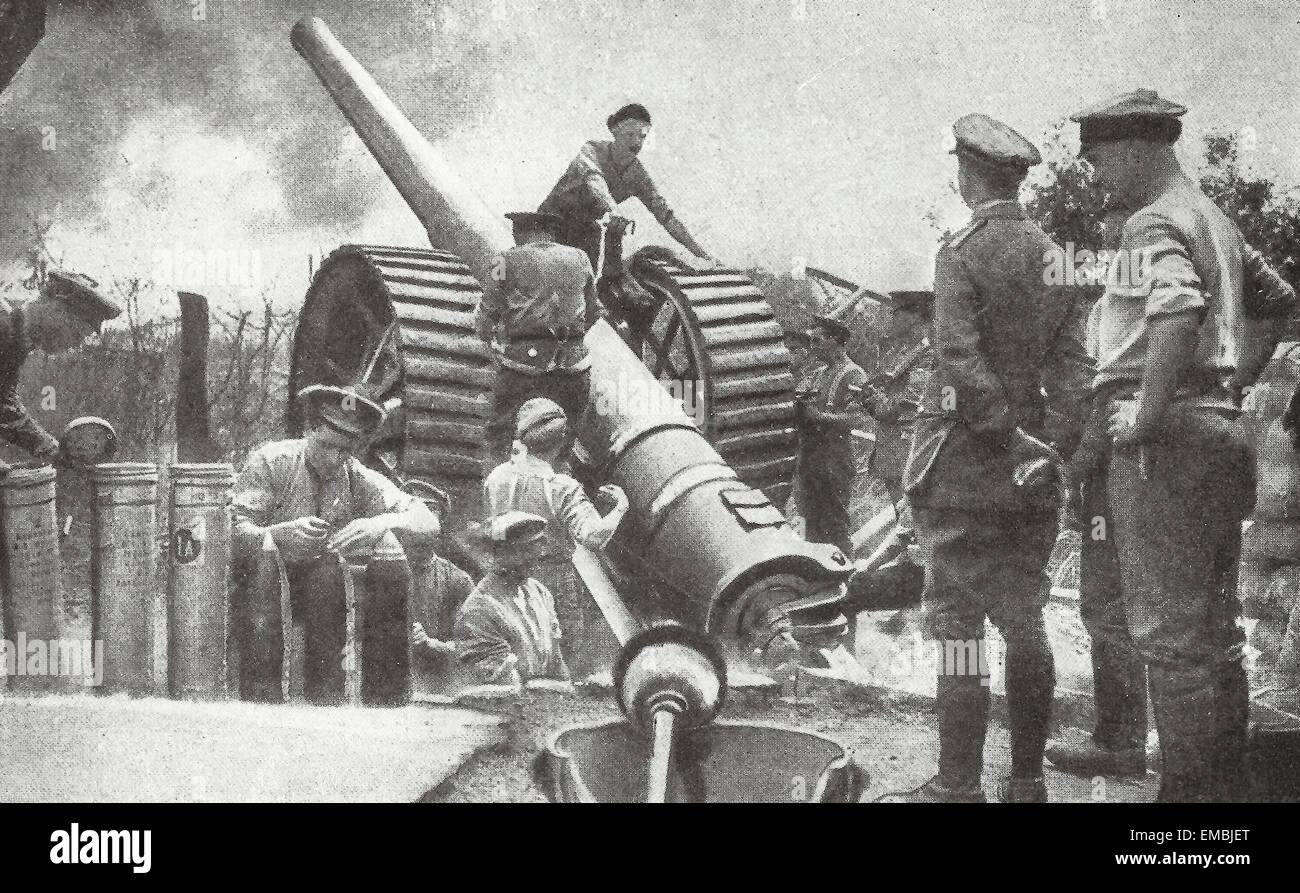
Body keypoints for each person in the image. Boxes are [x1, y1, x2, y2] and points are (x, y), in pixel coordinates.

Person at [1067, 89, 1294, 801]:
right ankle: (1223, 797)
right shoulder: (1216, 219)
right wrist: (1230, 387)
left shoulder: (1153, 220)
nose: (1100, 177)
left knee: (1168, 638)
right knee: (1214, 631)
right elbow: (1279, 300)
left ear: (1138, 148)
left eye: (1101, 160)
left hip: (1166, 442)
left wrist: (1146, 414)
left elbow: (1176, 311)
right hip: (1219, 432)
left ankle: (1187, 812)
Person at [884, 114, 1091, 803]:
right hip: (1031, 478)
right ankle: (1028, 782)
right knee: (1026, 619)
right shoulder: (1057, 256)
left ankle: (960, 784)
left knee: (960, 627)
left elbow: (959, 361)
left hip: (965, 471)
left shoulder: (961, 252)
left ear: (970, 175)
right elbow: (1074, 370)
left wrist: (1003, 437)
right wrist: (1047, 449)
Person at [231, 385, 440, 706]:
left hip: (327, 591)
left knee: (386, 555)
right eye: (327, 445)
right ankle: (263, 702)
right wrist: (277, 533)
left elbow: (426, 519)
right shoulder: (272, 462)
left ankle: (381, 700)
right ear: (308, 430)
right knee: (268, 559)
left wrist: (378, 524)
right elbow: (232, 531)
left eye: (345, 450)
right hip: (265, 586)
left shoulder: (355, 476)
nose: (335, 458)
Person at [482, 397, 629, 677]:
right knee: (560, 656)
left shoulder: (496, 478)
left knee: (510, 650)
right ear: (562, 443)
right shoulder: (563, 488)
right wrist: (621, 508)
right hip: (552, 581)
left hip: (502, 576)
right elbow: (593, 537)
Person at [538, 103, 714, 326]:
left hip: (585, 231)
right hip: (548, 226)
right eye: (630, 134)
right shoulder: (591, 150)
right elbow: (595, 181)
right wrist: (614, 209)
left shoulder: (636, 174)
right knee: (545, 296)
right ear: (615, 131)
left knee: (581, 301)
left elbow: (666, 215)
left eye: (642, 136)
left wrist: (700, 253)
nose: (636, 142)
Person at [474, 210, 602, 468]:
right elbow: (593, 312)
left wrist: (491, 340)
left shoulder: (504, 260)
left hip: (523, 368)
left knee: (499, 437)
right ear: (550, 233)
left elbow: (487, 312)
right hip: (574, 368)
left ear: (522, 232)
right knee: (560, 444)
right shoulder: (580, 257)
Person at [1, 270, 121, 463]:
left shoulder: (16, 340)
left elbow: (4, 404)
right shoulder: (3, 324)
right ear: (56, 308)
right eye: (76, 333)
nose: (75, 345)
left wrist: (52, 451)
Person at [453, 510, 569, 689]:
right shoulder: (478, 611)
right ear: (499, 554)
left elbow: (557, 663)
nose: (535, 558)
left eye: (535, 549)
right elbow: (506, 686)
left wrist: (567, 689)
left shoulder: (540, 593)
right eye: (523, 551)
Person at [795, 313, 867, 556]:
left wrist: (819, 417)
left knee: (835, 522)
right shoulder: (817, 374)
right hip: (810, 457)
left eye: (818, 341)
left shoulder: (854, 374)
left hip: (834, 457)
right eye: (811, 342)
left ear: (835, 341)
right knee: (808, 520)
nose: (813, 348)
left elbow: (856, 419)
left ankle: (845, 575)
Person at [860, 291, 935, 509]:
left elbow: (908, 404)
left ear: (914, 317)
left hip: (906, 447)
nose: (891, 317)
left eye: (896, 312)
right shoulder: (904, 352)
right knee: (900, 511)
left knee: (910, 513)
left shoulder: (926, 354)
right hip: (893, 445)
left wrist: (874, 401)